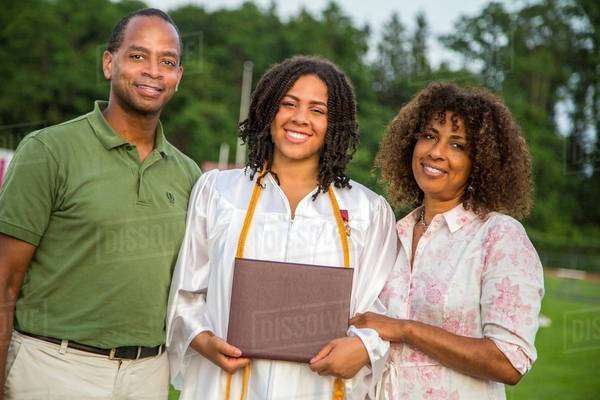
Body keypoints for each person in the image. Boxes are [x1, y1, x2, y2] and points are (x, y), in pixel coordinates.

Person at [166, 56, 397, 400]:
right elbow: (186, 292)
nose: (300, 118)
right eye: (288, 103)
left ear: (335, 123)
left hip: (318, 387)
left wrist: (363, 348)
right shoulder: (218, 192)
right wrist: (202, 339)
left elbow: (381, 308)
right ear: (267, 110)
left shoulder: (367, 211)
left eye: (317, 110)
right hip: (225, 384)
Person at [0, 8, 200, 399]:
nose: (153, 71)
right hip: (53, 367)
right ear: (109, 63)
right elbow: (4, 282)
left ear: (178, 77)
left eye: (168, 61)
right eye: (138, 56)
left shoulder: (190, 174)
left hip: (149, 375)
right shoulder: (48, 151)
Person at [350, 82, 545, 399]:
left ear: (481, 162)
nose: (436, 152)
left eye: (457, 145)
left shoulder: (498, 237)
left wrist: (405, 329)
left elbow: (509, 362)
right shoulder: (388, 233)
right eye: (429, 136)